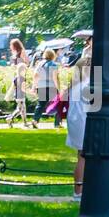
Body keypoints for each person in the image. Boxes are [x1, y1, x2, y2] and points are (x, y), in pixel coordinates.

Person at [66, 46, 92, 199]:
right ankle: (79, 191)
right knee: (84, 157)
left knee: (80, 156)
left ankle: (79, 189)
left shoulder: (74, 85)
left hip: (75, 121)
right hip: (84, 121)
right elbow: (96, 105)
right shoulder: (89, 84)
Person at [31, 48, 60, 127]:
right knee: (57, 104)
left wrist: (33, 87)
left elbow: (35, 76)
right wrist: (59, 88)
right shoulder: (53, 65)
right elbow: (55, 78)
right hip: (51, 87)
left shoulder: (40, 64)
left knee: (40, 105)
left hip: (41, 86)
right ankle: (57, 123)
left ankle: (35, 120)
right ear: (52, 56)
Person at [5, 42, 29, 127]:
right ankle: (10, 118)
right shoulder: (21, 78)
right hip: (20, 95)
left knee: (22, 108)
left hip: (18, 95)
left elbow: (13, 87)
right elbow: (22, 86)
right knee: (20, 109)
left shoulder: (21, 53)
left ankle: (25, 122)